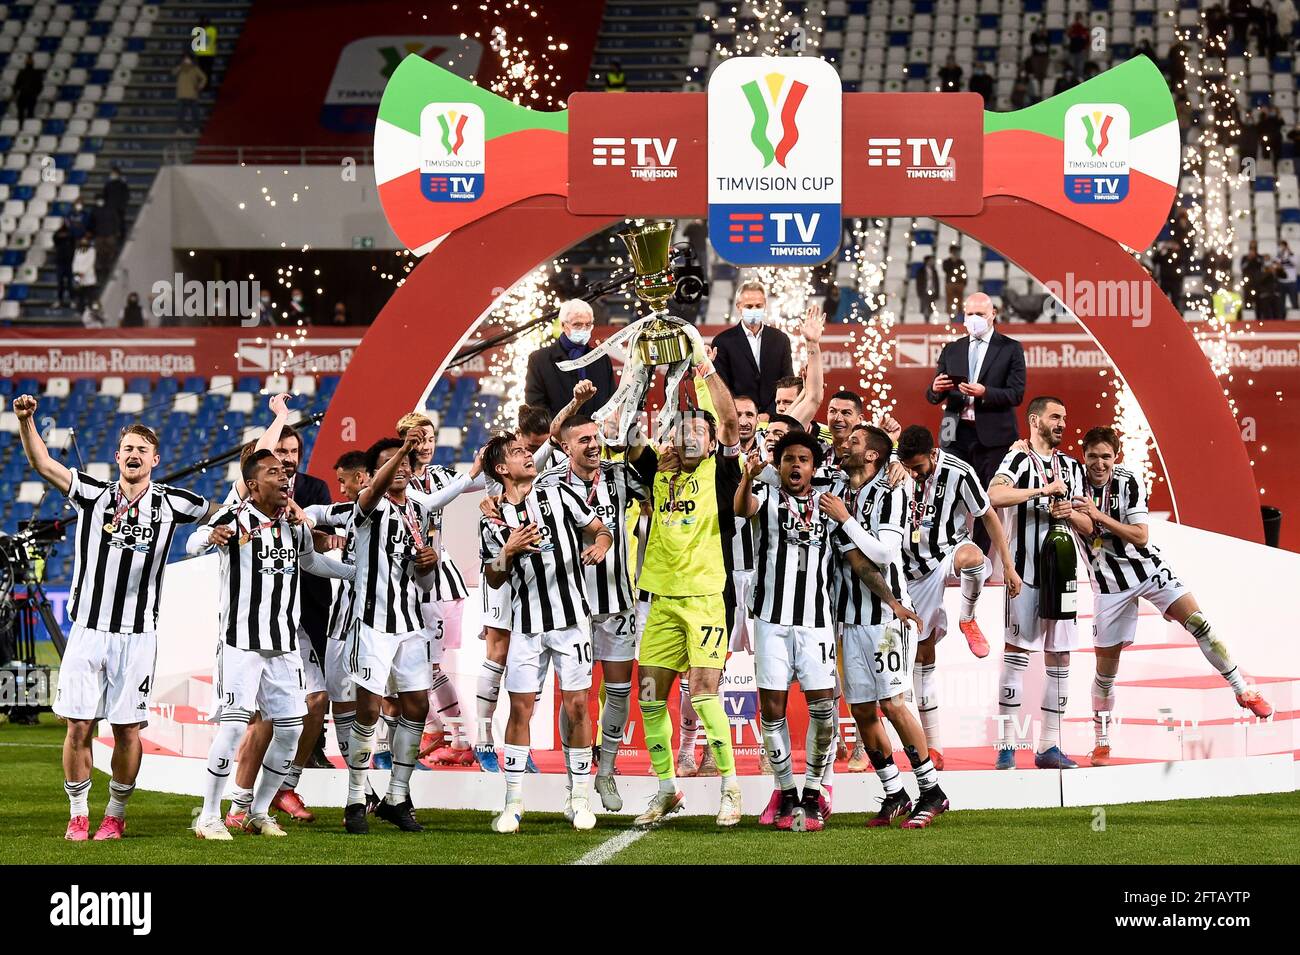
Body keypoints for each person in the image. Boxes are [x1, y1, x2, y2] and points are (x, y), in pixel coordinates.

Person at [13, 397, 212, 840]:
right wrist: (26, 421)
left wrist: (211, 533)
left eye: (143, 448)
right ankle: (79, 813)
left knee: (126, 729)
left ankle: (115, 814)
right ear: (118, 456)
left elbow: (222, 514)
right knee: (78, 725)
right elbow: (44, 464)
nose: (135, 454)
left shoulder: (176, 503)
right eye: (128, 448)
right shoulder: (93, 494)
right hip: (88, 631)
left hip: (137, 635)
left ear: (155, 460)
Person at [1070, 427, 1273, 766]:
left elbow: (1140, 536)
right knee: (1106, 671)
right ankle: (1102, 741)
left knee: (1199, 624)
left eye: (1106, 456)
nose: (1099, 464)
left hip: (1148, 570)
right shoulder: (1073, 480)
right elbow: (1083, 522)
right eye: (1093, 456)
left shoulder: (1129, 481)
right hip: (1108, 586)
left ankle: (1243, 690)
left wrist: (1098, 514)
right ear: (1084, 456)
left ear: (1116, 457)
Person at [186, 451, 352, 840]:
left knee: (292, 731)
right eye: (273, 472)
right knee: (231, 729)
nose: (284, 477)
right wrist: (210, 536)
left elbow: (311, 563)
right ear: (254, 484)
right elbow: (193, 543)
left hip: (283, 644)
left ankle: (258, 812)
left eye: (285, 472)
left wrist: (352, 573)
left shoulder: (294, 526)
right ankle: (209, 816)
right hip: (241, 643)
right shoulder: (234, 517)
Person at [627, 326, 744, 827]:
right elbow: (624, 435)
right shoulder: (656, 467)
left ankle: (731, 788)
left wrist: (703, 364)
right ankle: (666, 789)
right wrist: (638, 371)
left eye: (701, 429)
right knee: (650, 698)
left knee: (703, 694)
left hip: (705, 600)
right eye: (684, 429)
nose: (692, 434)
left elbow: (733, 423)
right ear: (672, 434)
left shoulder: (719, 471)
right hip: (661, 602)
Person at [479, 432, 613, 833]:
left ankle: (578, 799)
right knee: (521, 708)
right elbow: (494, 576)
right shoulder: (491, 517)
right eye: (518, 453)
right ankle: (513, 803)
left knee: (577, 706)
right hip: (526, 626)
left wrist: (602, 545)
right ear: (502, 469)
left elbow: (600, 530)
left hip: (571, 621)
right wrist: (509, 550)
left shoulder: (559, 495)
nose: (528, 456)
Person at [817, 425, 947, 828]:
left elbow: (885, 553)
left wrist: (844, 520)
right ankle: (894, 792)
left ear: (873, 456)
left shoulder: (892, 490)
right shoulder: (839, 483)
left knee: (892, 704)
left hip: (888, 618)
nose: (846, 445)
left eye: (855, 442)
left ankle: (932, 791)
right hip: (849, 617)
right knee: (860, 709)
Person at [890, 424, 1021, 768]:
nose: (914, 475)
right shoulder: (897, 468)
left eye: (918, 467)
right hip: (910, 571)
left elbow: (988, 515)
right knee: (924, 652)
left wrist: (1007, 565)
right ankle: (934, 747)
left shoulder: (960, 472)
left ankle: (967, 617)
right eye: (909, 468)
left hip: (948, 552)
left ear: (933, 454)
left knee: (975, 561)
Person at [535, 414, 646, 812]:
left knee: (618, 691)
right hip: (571, 608)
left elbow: (656, 493)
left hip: (618, 601)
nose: (593, 445)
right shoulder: (548, 484)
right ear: (566, 447)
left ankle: (607, 772)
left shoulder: (619, 474)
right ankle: (573, 781)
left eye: (595, 437)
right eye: (583, 439)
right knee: (575, 700)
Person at [987, 397, 1093, 770]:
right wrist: (1040, 493)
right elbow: (994, 496)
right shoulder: (1017, 458)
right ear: (1035, 421)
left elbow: (1088, 525)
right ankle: (1007, 745)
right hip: (1024, 573)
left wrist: (1071, 513)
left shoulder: (1072, 467)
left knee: (1060, 658)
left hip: (1061, 577)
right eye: (1055, 417)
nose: (1063, 424)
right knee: (1016, 655)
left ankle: (1049, 747)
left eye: (1065, 417)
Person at [342, 432, 440, 834]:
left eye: (404, 463)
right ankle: (354, 799)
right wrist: (402, 449)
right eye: (390, 462)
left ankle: (397, 797)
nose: (400, 467)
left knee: (417, 707)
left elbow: (424, 580)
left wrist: (428, 562)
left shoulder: (417, 509)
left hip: (410, 622)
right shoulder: (367, 504)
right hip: (372, 623)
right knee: (367, 710)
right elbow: (373, 493)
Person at [397, 412, 483, 766]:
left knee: (430, 667)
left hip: (437, 584)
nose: (427, 446)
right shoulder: (397, 477)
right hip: (403, 583)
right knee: (407, 665)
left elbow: (472, 483)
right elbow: (456, 488)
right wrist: (471, 474)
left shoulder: (440, 477)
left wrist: (483, 469)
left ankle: (458, 739)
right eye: (419, 439)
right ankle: (435, 731)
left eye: (431, 439)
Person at [925, 292, 1025, 552]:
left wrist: (985, 393)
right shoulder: (952, 348)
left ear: (993, 315)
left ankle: (979, 556)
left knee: (986, 499)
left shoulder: (1010, 348)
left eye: (980, 314)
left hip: (993, 437)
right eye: (969, 314)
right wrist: (935, 388)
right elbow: (934, 394)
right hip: (955, 434)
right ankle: (946, 550)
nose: (974, 319)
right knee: (946, 493)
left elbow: (1017, 393)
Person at [711, 279, 794, 416]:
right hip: (739, 418)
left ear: (765, 305)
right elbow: (722, 386)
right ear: (738, 306)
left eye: (758, 305)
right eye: (749, 306)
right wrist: (746, 414)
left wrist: (769, 413)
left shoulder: (781, 339)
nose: (754, 310)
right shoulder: (722, 341)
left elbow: (787, 382)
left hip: (775, 417)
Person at [524, 299, 616, 419]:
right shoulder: (539, 360)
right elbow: (536, 408)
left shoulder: (601, 359)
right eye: (577, 324)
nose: (584, 329)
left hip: (595, 434)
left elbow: (610, 400)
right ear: (563, 325)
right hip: (558, 434)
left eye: (588, 325)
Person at [173, 55, 207, 133]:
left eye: (188, 59)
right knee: (180, 114)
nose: (187, 61)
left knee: (195, 113)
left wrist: (200, 86)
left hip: (192, 95)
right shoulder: (180, 68)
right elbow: (173, 72)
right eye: (185, 59)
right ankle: (179, 129)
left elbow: (204, 78)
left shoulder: (195, 69)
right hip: (181, 95)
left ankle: (196, 128)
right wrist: (179, 67)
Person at [101, 167, 130, 242]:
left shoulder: (122, 185)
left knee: (120, 225)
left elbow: (126, 196)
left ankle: (121, 239)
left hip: (119, 209)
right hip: (109, 209)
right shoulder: (108, 185)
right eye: (112, 173)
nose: (112, 175)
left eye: (114, 173)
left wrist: (122, 207)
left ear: (118, 174)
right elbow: (104, 196)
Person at [941, 245, 967, 319]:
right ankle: (948, 317)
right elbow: (945, 269)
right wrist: (953, 261)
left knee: (960, 302)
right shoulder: (947, 262)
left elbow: (964, 272)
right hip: (950, 284)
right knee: (949, 302)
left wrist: (964, 283)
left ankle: (960, 317)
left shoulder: (961, 262)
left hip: (959, 284)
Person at [15, 56, 42, 123]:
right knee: (30, 112)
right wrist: (36, 93)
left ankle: (21, 126)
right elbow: (40, 86)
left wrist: (16, 92)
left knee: (21, 112)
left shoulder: (22, 73)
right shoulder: (36, 73)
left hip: (23, 95)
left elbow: (17, 85)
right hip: (31, 95)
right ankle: (28, 127)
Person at [72, 238, 97, 312]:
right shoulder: (77, 251)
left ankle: (91, 311)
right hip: (79, 276)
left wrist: (83, 272)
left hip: (88, 277)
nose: (83, 243)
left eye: (85, 242)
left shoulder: (92, 251)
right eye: (82, 241)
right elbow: (75, 262)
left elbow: (90, 262)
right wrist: (76, 272)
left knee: (90, 296)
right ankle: (81, 311)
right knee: (80, 296)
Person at [54, 224, 75, 308]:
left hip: (69, 263)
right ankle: (59, 300)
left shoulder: (71, 238)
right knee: (60, 284)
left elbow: (72, 237)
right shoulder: (58, 239)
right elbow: (55, 237)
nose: (63, 235)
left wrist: (67, 229)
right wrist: (61, 228)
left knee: (70, 284)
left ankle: (72, 301)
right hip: (60, 264)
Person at [193, 15, 217, 85]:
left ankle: (206, 85)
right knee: (203, 71)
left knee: (207, 71)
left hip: (208, 54)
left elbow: (212, 40)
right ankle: (203, 85)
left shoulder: (211, 30)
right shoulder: (198, 30)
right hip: (203, 54)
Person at [915, 255, 940, 320]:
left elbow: (937, 283)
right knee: (924, 307)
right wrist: (919, 292)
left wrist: (937, 292)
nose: (932, 262)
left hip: (933, 291)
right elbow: (918, 283)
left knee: (932, 307)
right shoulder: (921, 271)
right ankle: (925, 320)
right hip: (924, 291)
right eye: (931, 260)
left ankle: (930, 320)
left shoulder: (934, 271)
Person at [1278, 240, 1298, 311]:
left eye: (1283, 246)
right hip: (1281, 282)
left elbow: (1296, 263)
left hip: (1291, 282)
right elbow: (1276, 265)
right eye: (1280, 246)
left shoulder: (1293, 256)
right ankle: (1281, 319)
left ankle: (1296, 318)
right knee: (1281, 303)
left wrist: (1288, 253)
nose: (1282, 248)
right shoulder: (1278, 257)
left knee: (1294, 301)